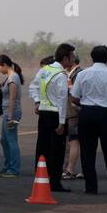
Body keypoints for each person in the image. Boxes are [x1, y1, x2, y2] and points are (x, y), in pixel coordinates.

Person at [69, 45, 107, 195]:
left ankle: (91, 187)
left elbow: (74, 97)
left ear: (92, 57)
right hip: (106, 114)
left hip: (87, 113)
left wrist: (85, 106)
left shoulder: (83, 74)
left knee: (87, 152)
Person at [34, 43, 75, 193]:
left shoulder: (45, 70)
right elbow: (62, 99)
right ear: (65, 58)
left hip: (44, 112)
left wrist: (37, 101)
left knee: (42, 146)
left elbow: (34, 86)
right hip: (55, 114)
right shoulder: (61, 74)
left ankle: (40, 176)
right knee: (57, 149)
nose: (73, 59)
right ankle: (55, 182)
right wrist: (62, 122)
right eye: (72, 56)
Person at [0, 54, 23, 177]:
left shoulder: (12, 78)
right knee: (4, 140)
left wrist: (11, 117)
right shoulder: (10, 77)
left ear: (5, 65)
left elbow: (12, 98)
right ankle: (7, 166)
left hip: (11, 112)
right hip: (7, 112)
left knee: (11, 140)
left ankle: (13, 169)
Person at [63, 53, 84, 179]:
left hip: (75, 112)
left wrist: (69, 87)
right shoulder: (71, 73)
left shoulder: (78, 74)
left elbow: (78, 94)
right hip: (70, 112)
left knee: (74, 141)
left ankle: (69, 169)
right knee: (73, 142)